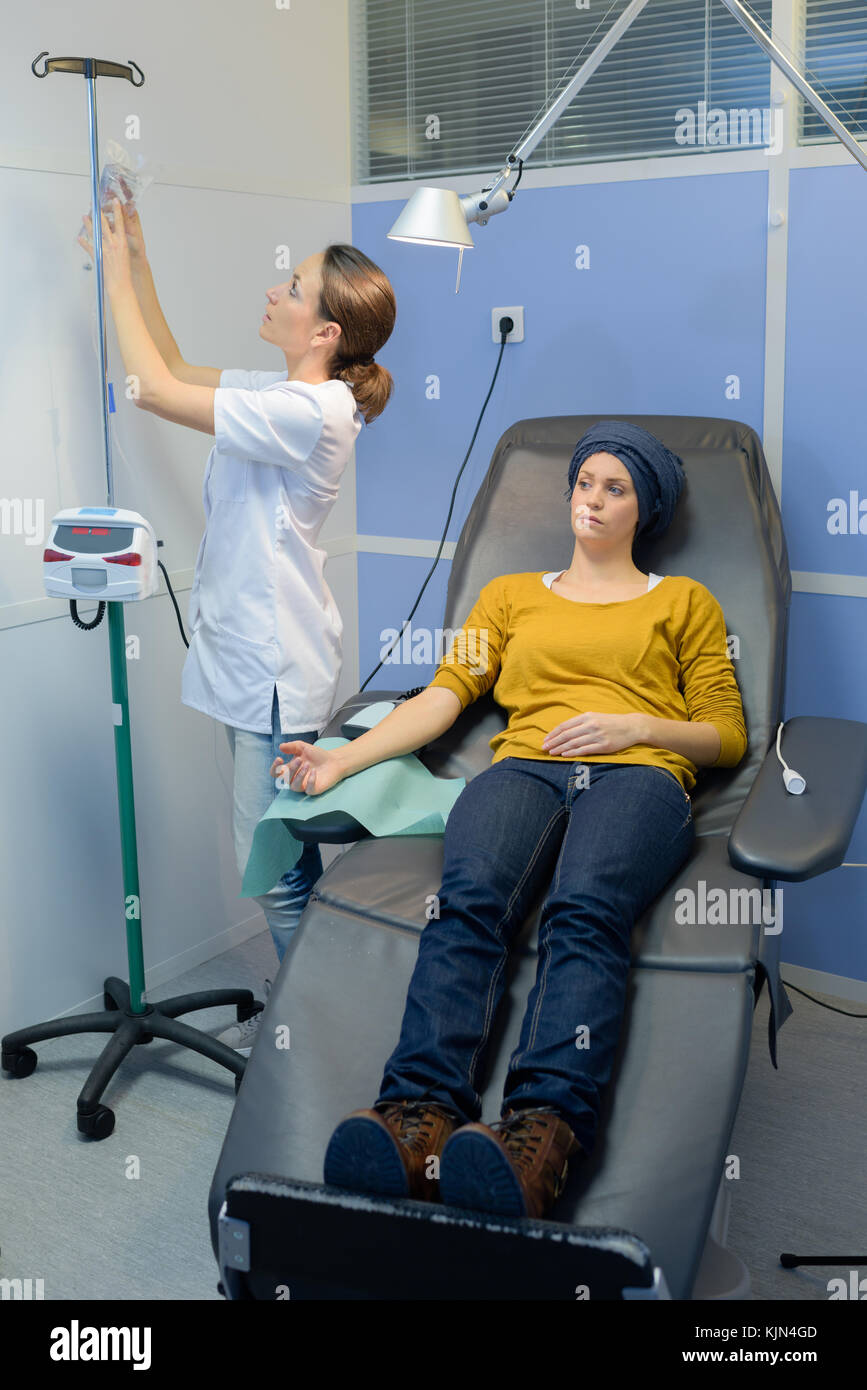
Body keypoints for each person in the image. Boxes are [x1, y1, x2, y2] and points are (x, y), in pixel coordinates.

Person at [269, 420, 748, 1221]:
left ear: (645, 508)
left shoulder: (683, 601)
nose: (590, 499)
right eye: (584, 482)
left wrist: (635, 727)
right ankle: (413, 1119)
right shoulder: (511, 596)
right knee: (468, 908)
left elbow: (725, 733)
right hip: (523, 768)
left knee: (584, 910)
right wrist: (338, 760)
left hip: (638, 776)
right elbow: (440, 699)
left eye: (614, 487)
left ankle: (540, 1135)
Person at [77, 200, 396, 1054]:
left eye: (290, 288)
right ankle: (325, 999)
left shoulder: (312, 412)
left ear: (324, 330)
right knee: (281, 855)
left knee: (273, 871)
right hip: (249, 656)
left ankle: (312, 1036)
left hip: (272, 669)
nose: (272, 291)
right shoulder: (286, 392)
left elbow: (147, 388)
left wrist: (104, 270)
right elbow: (175, 362)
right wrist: (137, 257)